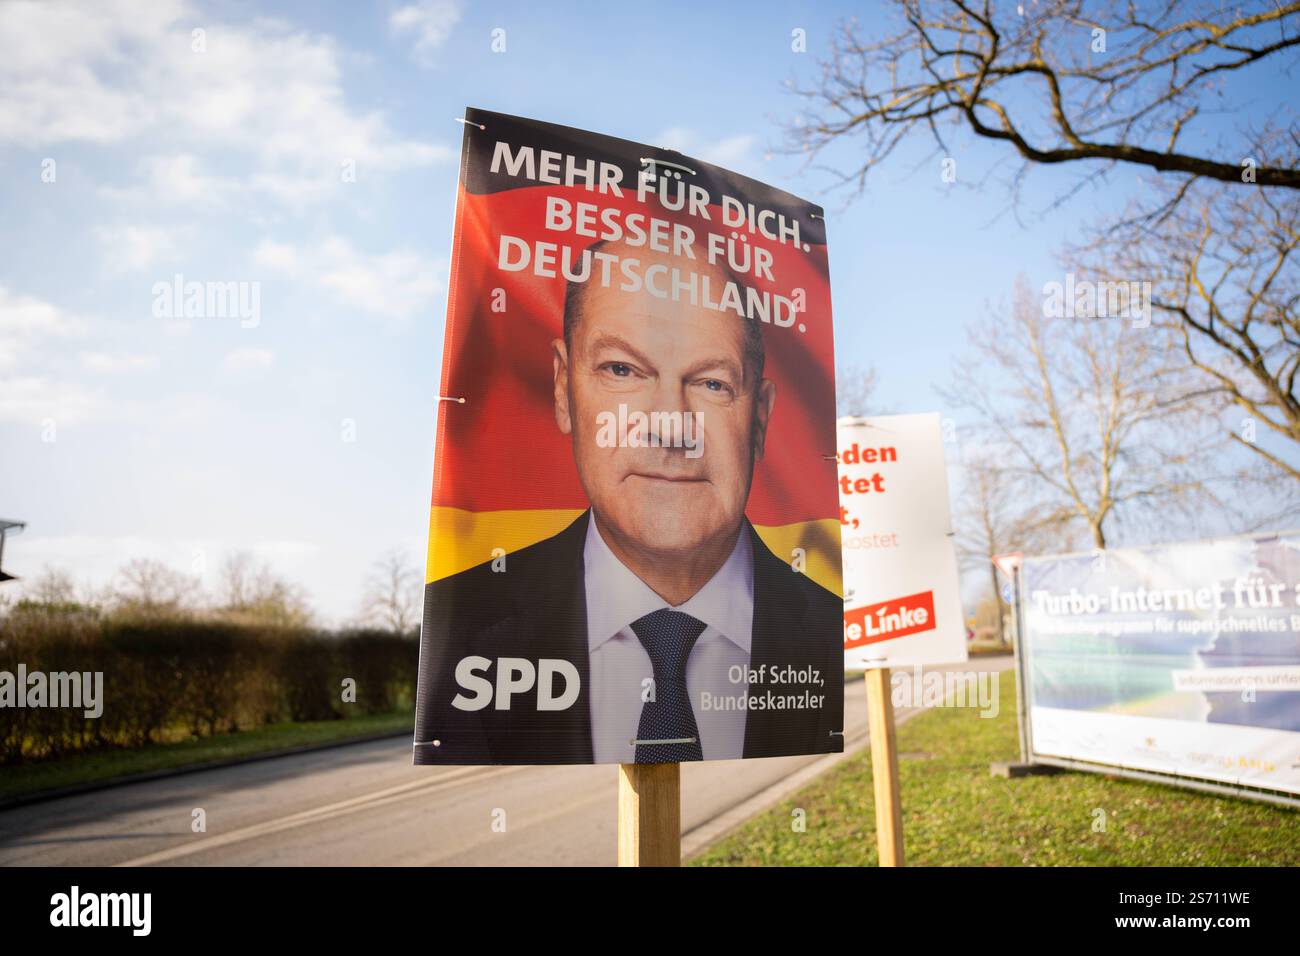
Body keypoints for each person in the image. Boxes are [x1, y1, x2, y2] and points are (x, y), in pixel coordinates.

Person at [414, 242, 843, 765]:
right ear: (564, 388)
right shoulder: (462, 626)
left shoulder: (830, 635)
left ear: (758, 418)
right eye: (622, 371)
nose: (670, 428)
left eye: (712, 383)